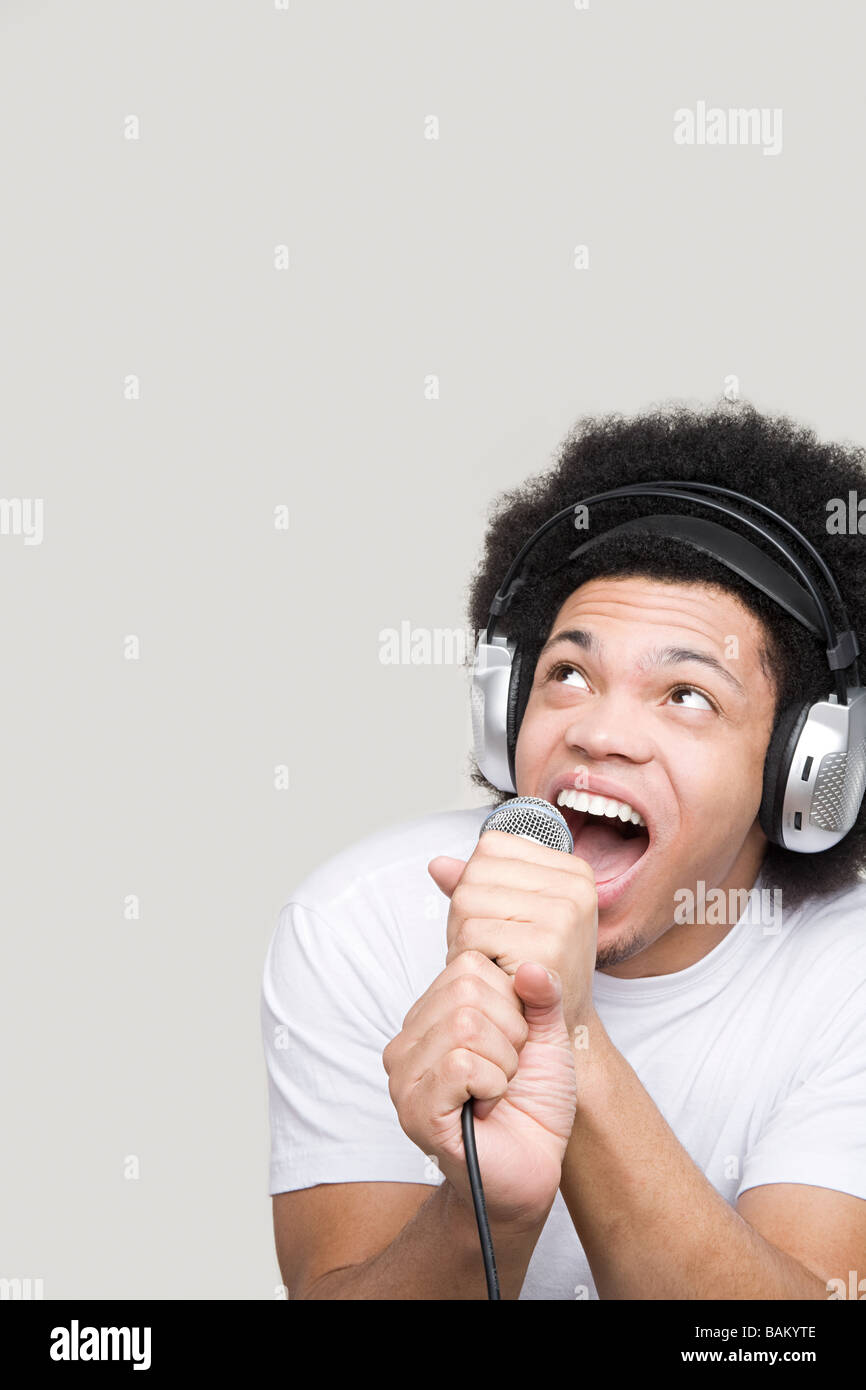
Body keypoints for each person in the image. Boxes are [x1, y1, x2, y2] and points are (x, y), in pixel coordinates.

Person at [261, 401, 866, 1299]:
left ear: (797, 773)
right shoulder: (359, 922)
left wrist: (572, 1039)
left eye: (687, 695)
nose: (602, 732)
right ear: (506, 717)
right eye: (569, 675)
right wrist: (485, 1215)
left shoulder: (847, 974)